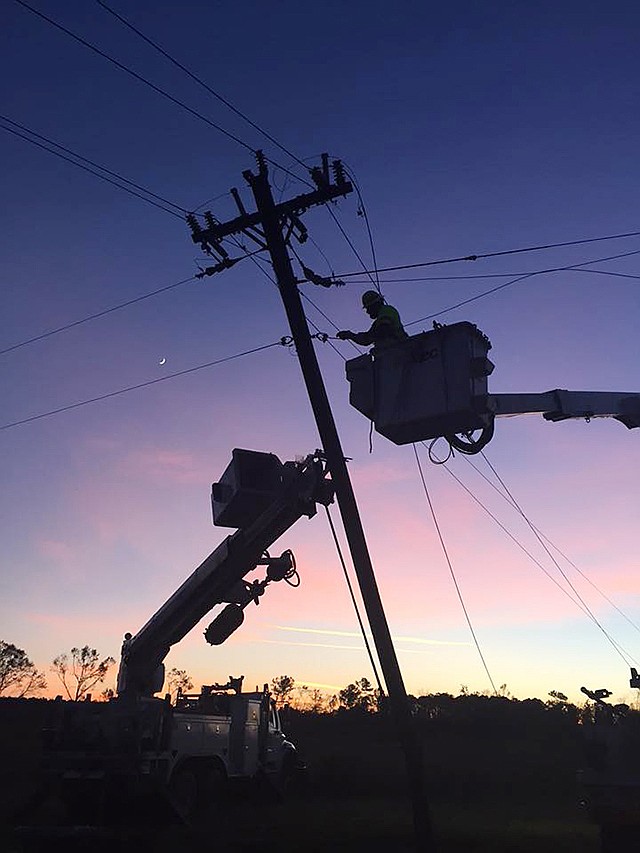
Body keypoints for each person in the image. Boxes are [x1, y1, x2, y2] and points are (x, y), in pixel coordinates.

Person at [337, 290, 408, 349]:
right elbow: (366, 340)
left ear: (375, 304)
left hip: (399, 352)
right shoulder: (378, 322)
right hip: (392, 355)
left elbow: (382, 331)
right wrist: (350, 335)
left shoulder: (387, 310)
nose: (367, 312)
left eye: (368, 308)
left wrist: (352, 335)